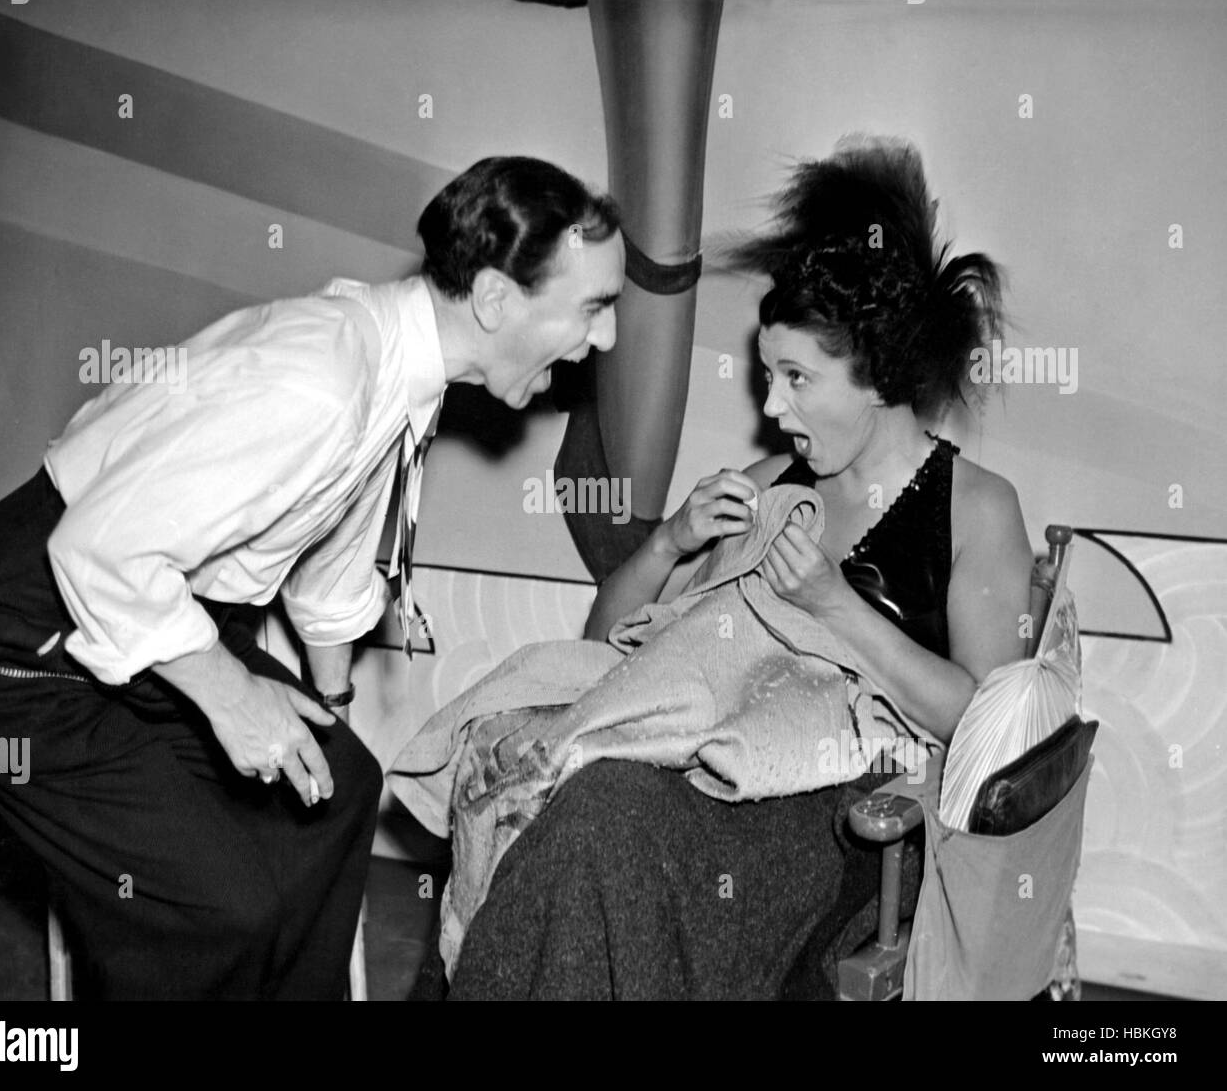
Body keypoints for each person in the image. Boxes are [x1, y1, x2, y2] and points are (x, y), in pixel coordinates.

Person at [0, 156, 624, 999]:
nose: (607, 338)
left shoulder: (398, 371)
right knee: (215, 906)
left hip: (151, 615)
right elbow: (96, 550)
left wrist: (323, 703)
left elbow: (331, 552)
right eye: (593, 307)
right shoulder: (320, 382)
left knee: (340, 790)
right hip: (15, 632)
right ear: (494, 299)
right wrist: (229, 695)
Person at [442, 137, 1035, 1000]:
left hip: (842, 814)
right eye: (767, 373)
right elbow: (615, 649)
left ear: (879, 379)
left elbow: (988, 731)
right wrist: (669, 542)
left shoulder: (975, 507)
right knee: (584, 805)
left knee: (608, 821)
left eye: (797, 377)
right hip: (698, 774)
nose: (770, 405)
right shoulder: (765, 491)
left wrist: (836, 609)